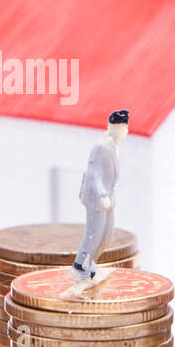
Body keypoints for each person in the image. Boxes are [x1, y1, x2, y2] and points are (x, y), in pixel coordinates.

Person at [66, 110, 129, 294]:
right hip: (96, 199)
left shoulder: (113, 146)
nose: (126, 131)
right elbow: (94, 174)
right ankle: (80, 266)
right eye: (124, 127)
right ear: (116, 127)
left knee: (107, 233)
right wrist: (102, 195)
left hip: (108, 198)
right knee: (94, 232)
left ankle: (91, 263)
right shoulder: (102, 146)